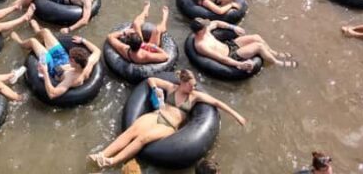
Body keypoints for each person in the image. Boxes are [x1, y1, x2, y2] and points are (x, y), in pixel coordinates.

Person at [88, 69, 245, 168]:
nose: (193, 87)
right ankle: (103, 154)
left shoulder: (195, 97)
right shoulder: (172, 88)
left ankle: (112, 162)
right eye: (190, 85)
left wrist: (237, 115)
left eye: (194, 85)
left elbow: (217, 102)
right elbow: (151, 80)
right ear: (182, 83)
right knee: (131, 131)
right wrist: (156, 90)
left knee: (143, 138)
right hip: (156, 115)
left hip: (169, 125)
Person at [11, 21, 100, 100]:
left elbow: (52, 94)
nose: (70, 57)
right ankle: (37, 31)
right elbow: (97, 51)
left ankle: (20, 42)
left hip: (53, 67)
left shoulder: (71, 79)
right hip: (62, 58)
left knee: (32, 41)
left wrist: (45, 73)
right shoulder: (89, 62)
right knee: (45, 31)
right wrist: (83, 40)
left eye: (71, 58)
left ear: (76, 63)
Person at [190, 18, 298, 70]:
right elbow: (221, 59)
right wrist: (239, 64)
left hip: (229, 45)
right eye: (204, 26)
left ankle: (275, 53)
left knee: (256, 37)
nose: (206, 26)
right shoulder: (201, 45)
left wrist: (233, 27)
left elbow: (216, 23)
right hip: (230, 55)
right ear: (199, 31)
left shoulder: (206, 31)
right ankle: (277, 62)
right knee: (258, 46)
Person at [106, 2, 170, 65]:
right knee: (157, 30)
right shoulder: (146, 55)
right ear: (141, 42)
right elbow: (166, 56)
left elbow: (110, 36)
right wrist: (154, 47)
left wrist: (124, 32)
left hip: (137, 51)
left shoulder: (124, 49)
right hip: (149, 50)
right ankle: (164, 19)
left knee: (136, 24)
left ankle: (145, 12)